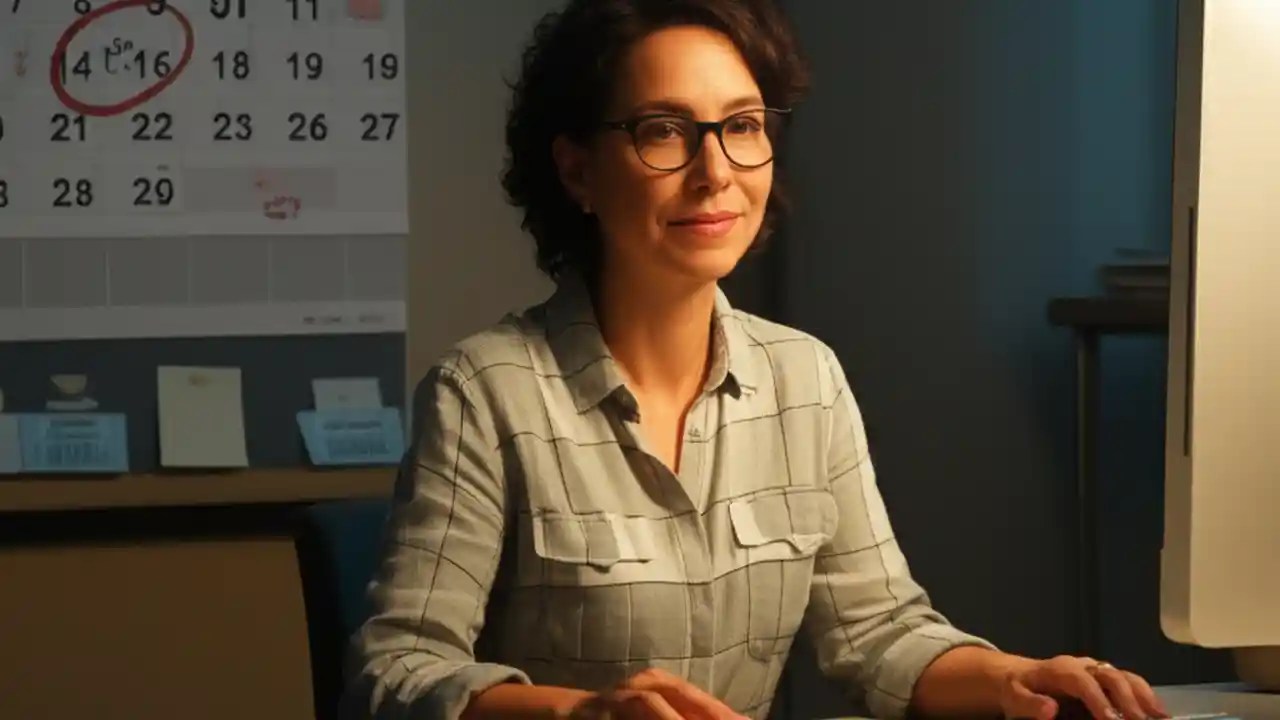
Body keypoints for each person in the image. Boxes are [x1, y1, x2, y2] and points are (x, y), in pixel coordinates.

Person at [341, 1, 1169, 719]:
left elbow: (880, 634)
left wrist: (1018, 679)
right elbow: (396, 675)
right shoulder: (487, 393)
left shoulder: (803, 380)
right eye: (662, 131)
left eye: (741, 128)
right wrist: (582, 714)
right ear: (577, 169)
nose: (715, 173)